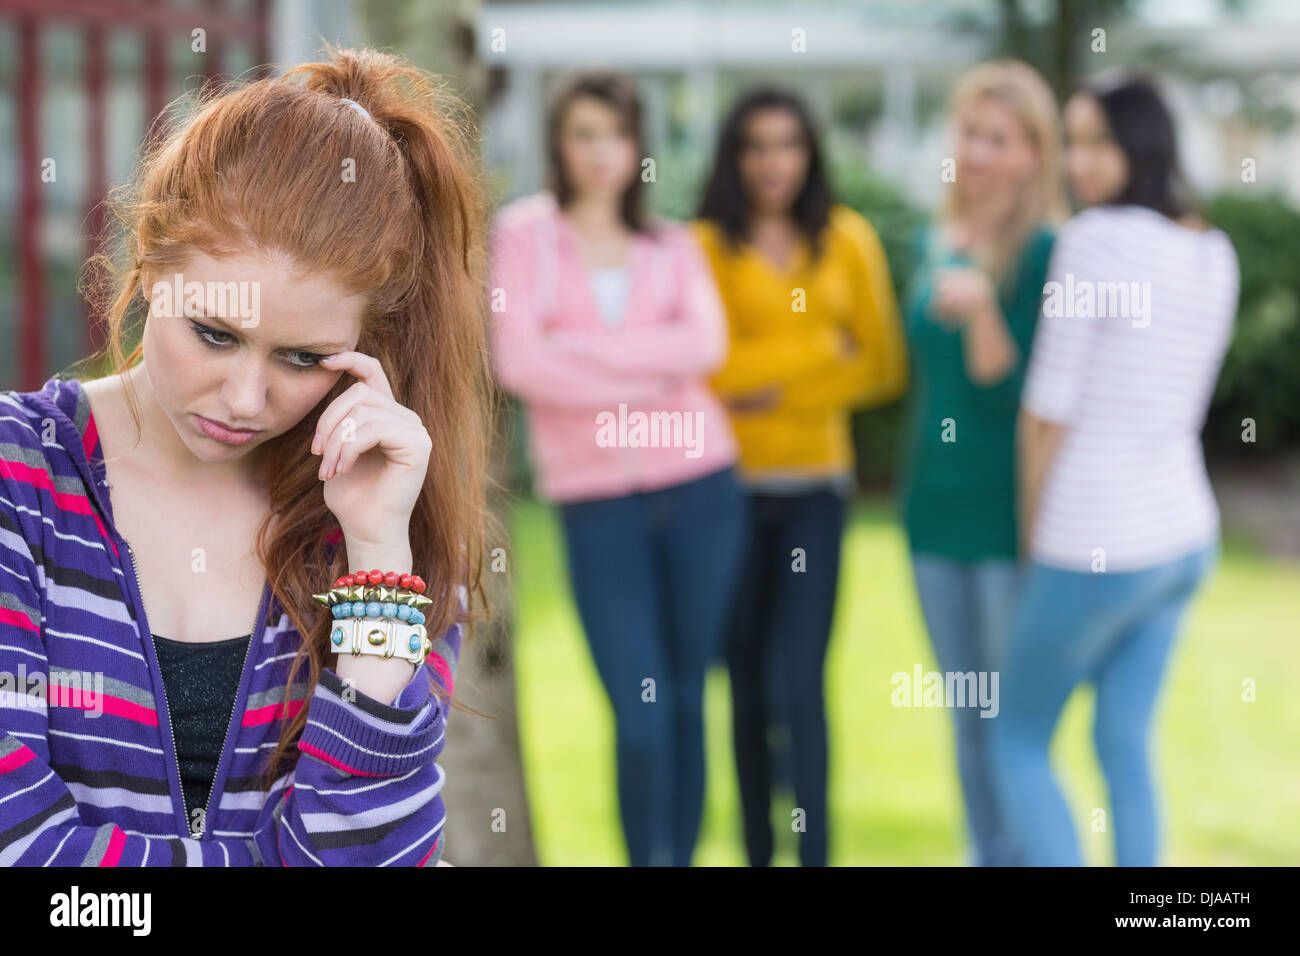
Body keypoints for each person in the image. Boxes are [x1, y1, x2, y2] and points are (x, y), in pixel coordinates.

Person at [0, 46, 489, 866]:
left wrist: (376, 556)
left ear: (364, 346)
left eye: (303, 358)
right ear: (150, 264)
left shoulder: (386, 524)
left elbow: (376, 852)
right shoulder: (19, 475)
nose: (245, 400)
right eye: (215, 335)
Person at [489, 71, 746, 867]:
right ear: (558, 143)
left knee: (686, 703)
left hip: (702, 484)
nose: (603, 153)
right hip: (596, 502)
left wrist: (583, 352)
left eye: (618, 134)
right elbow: (520, 361)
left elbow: (705, 349)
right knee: (640, 710)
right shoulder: (523, 236)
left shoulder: (673, 245)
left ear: (639, 145)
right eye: (585, 133)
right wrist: (647, 367)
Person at [991, 72, 1240, 866]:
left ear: (1142, 142)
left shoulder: (1090, 241)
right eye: (1073, 142)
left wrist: (1032, 535)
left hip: (1097, 535)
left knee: (1018, 738)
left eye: (1098, 140)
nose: (1080, 161)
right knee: (1124, 742)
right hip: (1183, 536)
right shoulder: (1212, 251)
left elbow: (1047, 409)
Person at [692, 88, 907, 866]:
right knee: (745, 682)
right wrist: (820, 352)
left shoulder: (848, 239)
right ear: (734, 156)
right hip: (729, 494)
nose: (771, 162)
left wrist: (768, 384)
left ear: (810, 152)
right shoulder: (705, 245)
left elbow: (880, 365)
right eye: (754, 146)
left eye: (787, 144)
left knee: (799, 681)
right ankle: (757, 852)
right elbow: (707, 368)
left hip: (816, 491)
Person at [896, 60, 1067, 866]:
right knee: (965, 713)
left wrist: (986, 309)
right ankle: (985, 854)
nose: (980, 152)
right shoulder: (937, 237)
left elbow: (1027, 395)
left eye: (1000, 138)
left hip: (1008, 516)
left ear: (1034, 153)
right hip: (932, 512)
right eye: (970, 132)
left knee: (1012, 720)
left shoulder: (1047, 253)